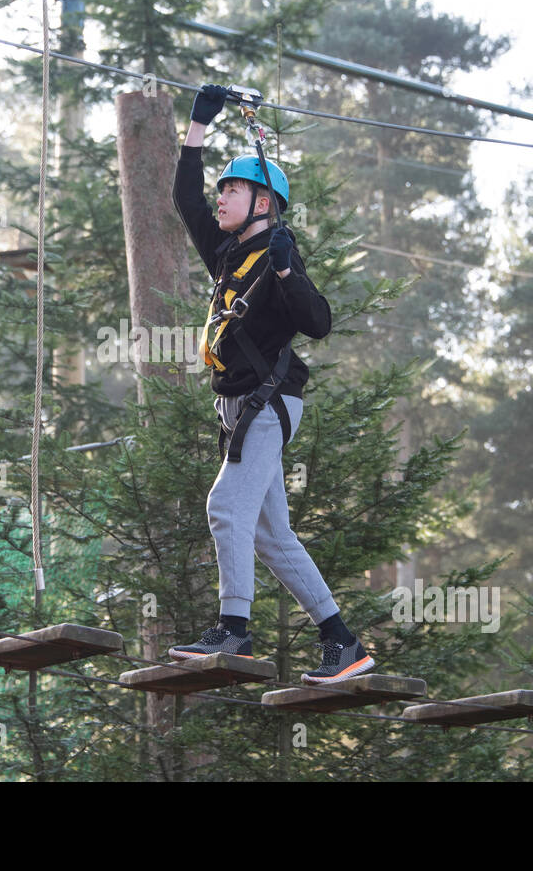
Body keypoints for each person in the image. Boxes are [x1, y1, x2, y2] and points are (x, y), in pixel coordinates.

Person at [168, 82, 375, 684]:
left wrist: (287, 266)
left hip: (269, 403)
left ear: (264, 203)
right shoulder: (228, 255)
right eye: (224, 187)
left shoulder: (280, 259)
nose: (220, 196)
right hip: (237, 408)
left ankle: (235, 630)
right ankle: (343, 643)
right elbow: (185, 198)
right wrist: (198, 125)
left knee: (225, 507)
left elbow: (319, 322)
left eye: (232, 188)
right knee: (269, 532)